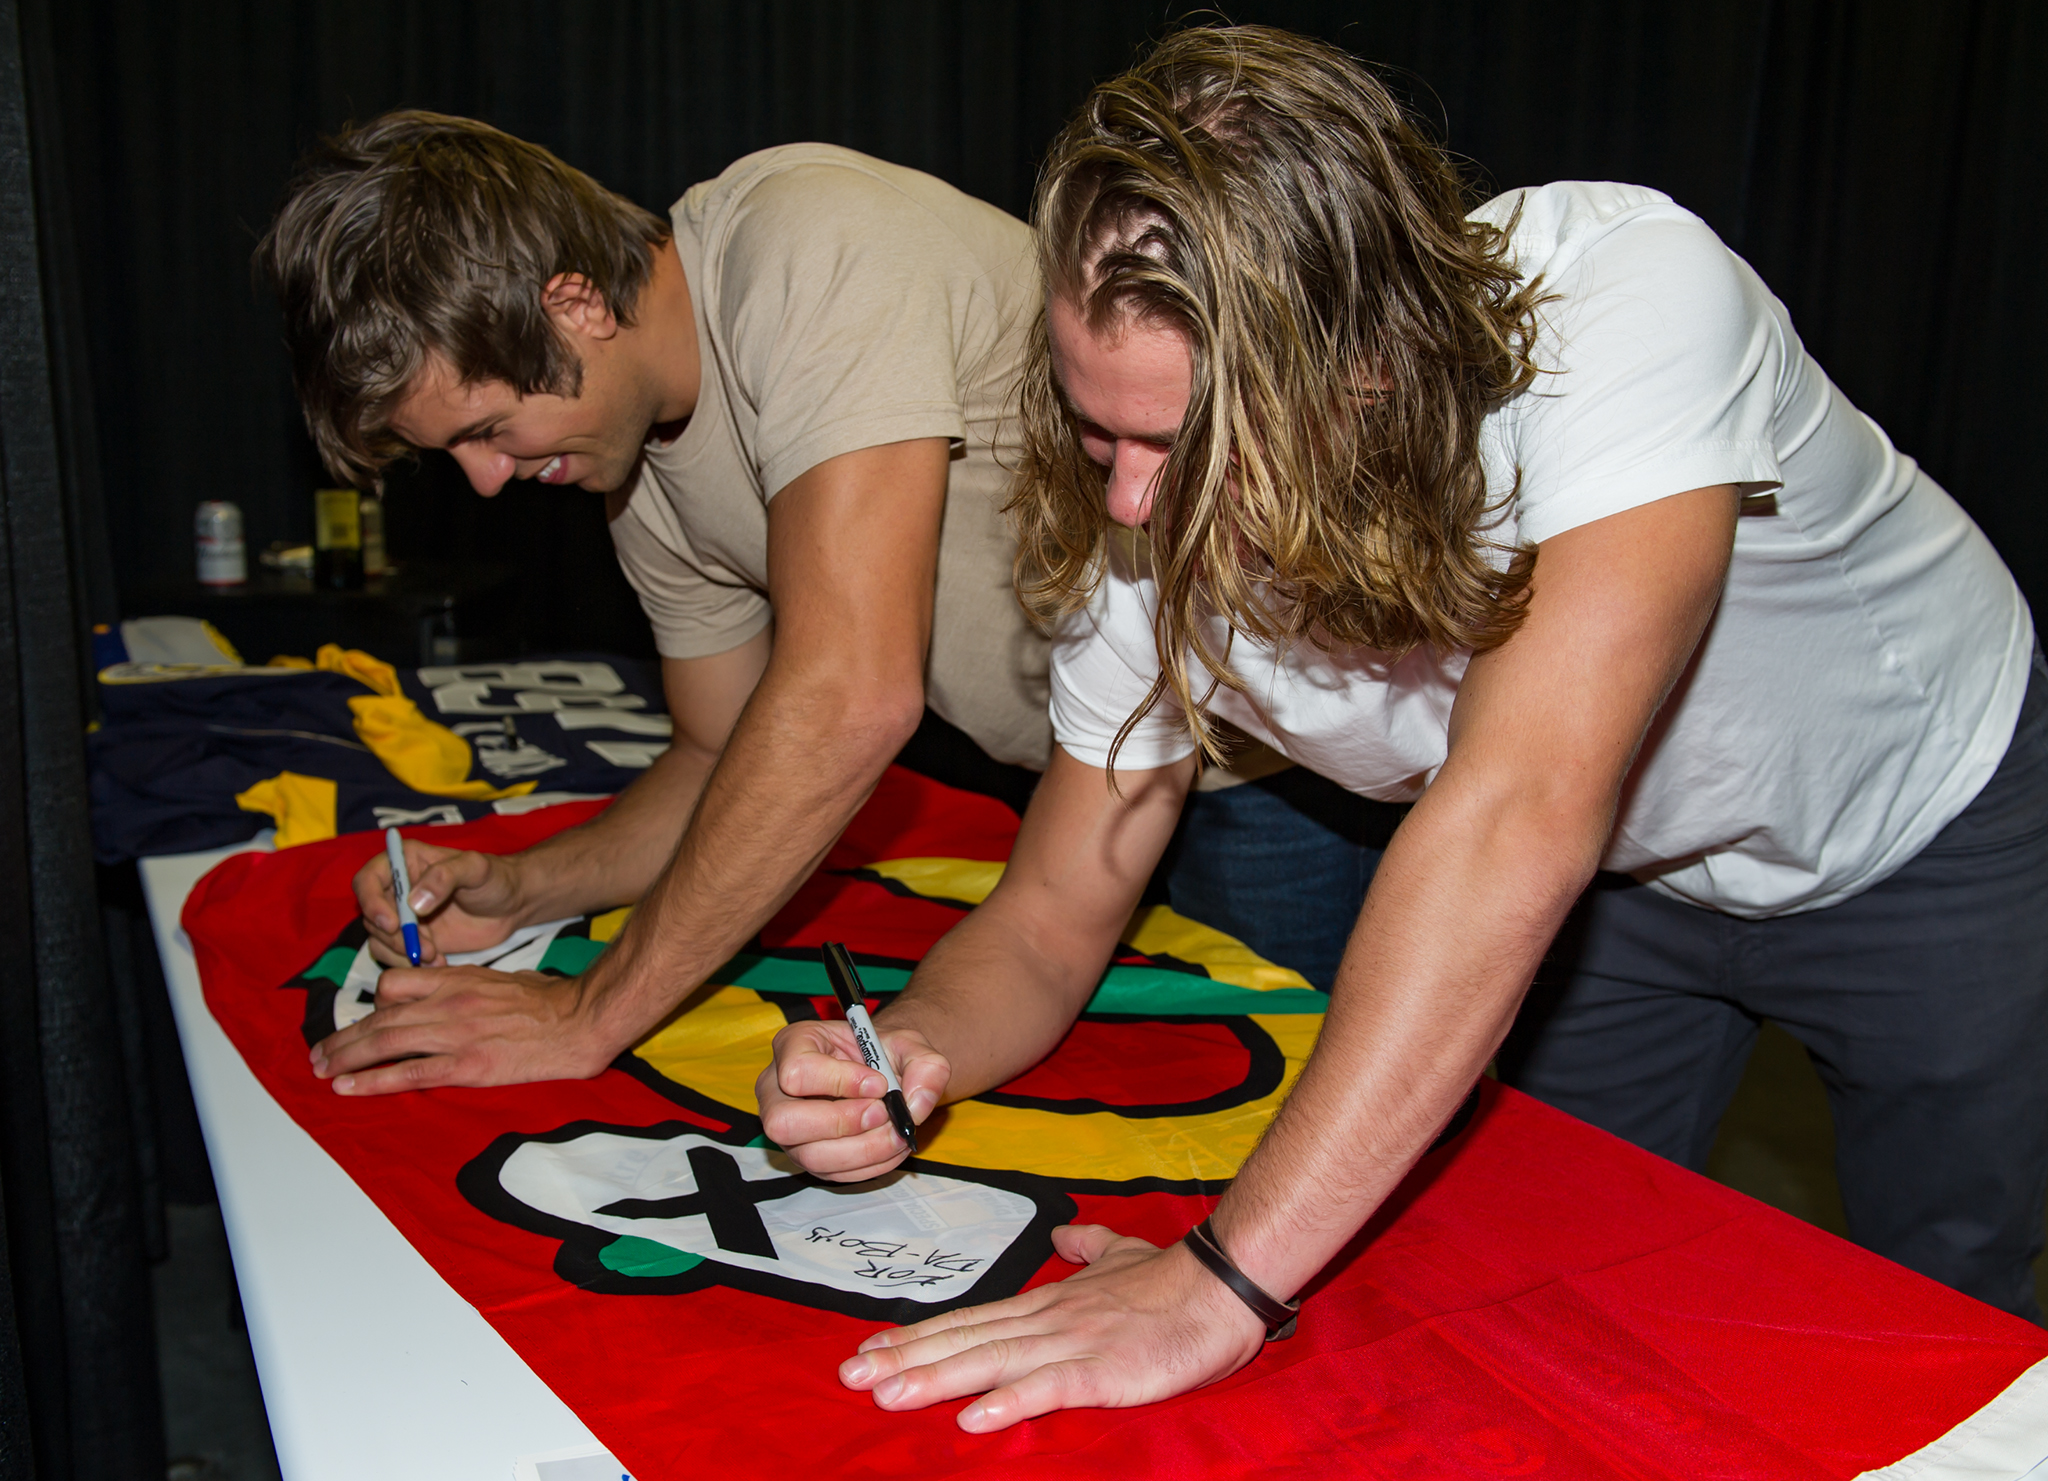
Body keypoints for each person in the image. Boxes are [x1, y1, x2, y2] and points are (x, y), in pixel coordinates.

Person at [760, 24, 2048, 1431]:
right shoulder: (1145, 522)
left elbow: (1514, 813)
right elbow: (1059, 907)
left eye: (1184, 447)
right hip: (1623, 877)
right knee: (1540, 1292)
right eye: (1095, 431)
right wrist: (908, 1051)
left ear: (1367, 365)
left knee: (1939, 1316)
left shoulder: (1620, 299)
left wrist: (1218, 1281)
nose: (1132, 505)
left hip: (1928, 821)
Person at [256, 113, 1055, 1095]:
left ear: (575, 305)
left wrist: (590, 1009)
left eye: (491, 428)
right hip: (1106, 780)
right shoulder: (629, 464)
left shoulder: (814, 243)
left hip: (1266, 754)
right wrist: (522, 885)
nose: (487, 480)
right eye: (452, 452)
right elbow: (716, 757)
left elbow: (847, 697)